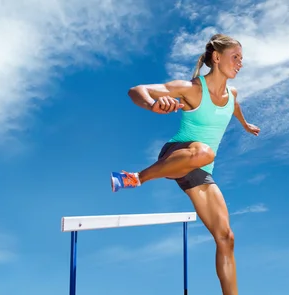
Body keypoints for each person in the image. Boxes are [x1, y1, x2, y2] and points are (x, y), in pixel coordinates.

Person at [110, 33, 260, 295]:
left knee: (226, 237)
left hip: (200, 170)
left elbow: (233, 106)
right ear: (216, 57)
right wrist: (152, 105)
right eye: (235, 57)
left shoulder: (232, 93)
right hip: (177, 154)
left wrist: (245, 125)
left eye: (241, 59)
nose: (240, 63)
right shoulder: (192, 88)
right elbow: (136, 90)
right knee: (205, 152)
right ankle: (136, 178)